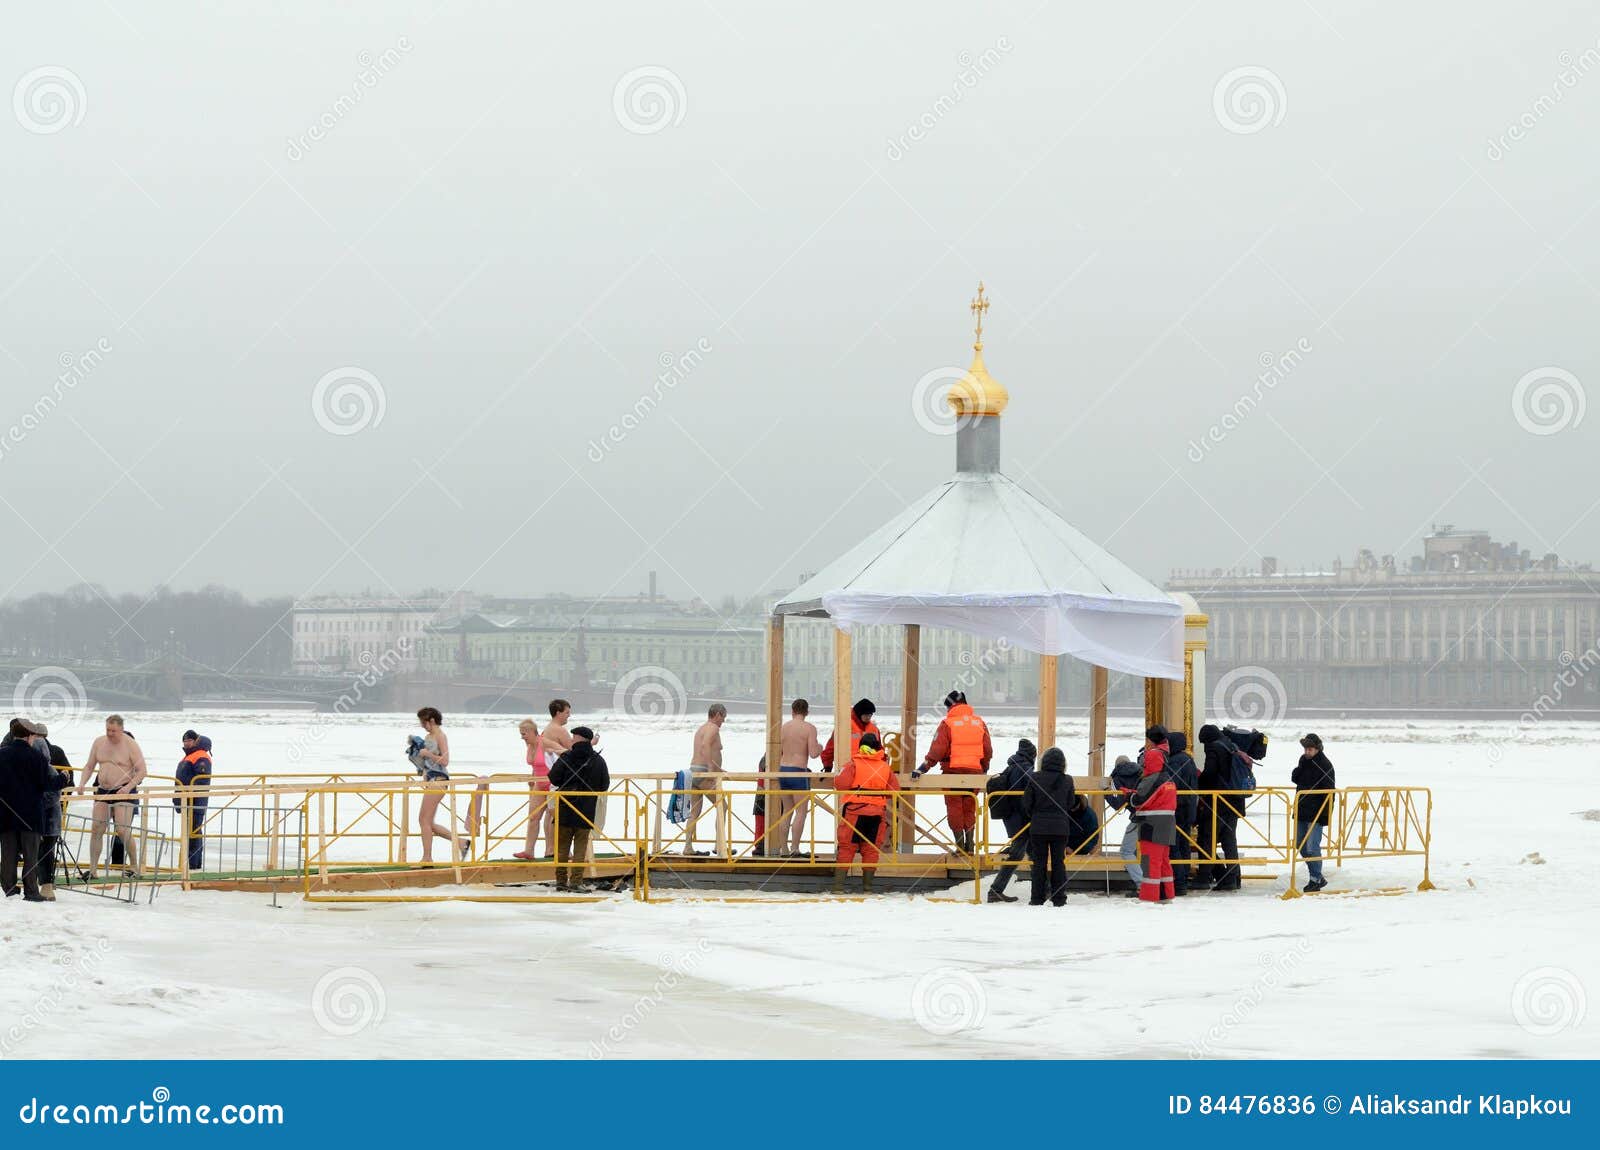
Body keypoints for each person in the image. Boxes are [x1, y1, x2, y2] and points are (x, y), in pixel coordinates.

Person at [915, 690, 993, 854]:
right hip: (974, 774)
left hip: (953, 773)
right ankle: (970, 845)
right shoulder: (979, 723)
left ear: (950, 706)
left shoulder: (947, 724)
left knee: (955, 808)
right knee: (969, 807)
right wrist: (984, 767)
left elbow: (937, 750)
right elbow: (987, 749)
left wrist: (923, 768)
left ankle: (960, 847)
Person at [1, 719, 68, 901]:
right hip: (30, 815)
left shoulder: (2, 754)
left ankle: (9, 889)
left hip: (6, 813)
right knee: (31, 855)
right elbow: (47, 784)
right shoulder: (36, 758)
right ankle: (31, 891)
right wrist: (63, 778)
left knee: (8, 853)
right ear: (29, 736)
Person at [76, 715, 148, 880]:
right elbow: (89, 766)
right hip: (103, 790)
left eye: (113, 731)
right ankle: (93, 870)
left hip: (124, 790)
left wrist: (128, 787)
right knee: (97, 829)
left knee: (122, 830)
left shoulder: (130, 744)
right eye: (108, 729)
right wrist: (82, 783)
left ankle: (134, 867)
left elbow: (142, 770)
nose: (110, 733)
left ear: (121, 729)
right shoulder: (99, 742)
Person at [831, 731, 899, 894]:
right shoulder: (885, 767)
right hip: (876, 814)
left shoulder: (853, 764)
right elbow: (894, 789)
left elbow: (840, 784)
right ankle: (867, 888)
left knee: (847, 847)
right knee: (870, 849)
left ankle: (838, 887)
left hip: (855, 813)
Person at [548, 726, 609, 891]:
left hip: (565, 808)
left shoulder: (566, 757)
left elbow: (553, 778)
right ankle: (576, 882)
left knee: (561, 847)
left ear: (579, 738)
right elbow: (604, 785)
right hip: (586, 810)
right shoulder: (598, 760)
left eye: (573, 736)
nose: (571, 739)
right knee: (580, 848)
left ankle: (560, 882)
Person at [1021, 746, 1075, 906]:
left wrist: (1036, 815)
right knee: (1059, 862)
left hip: (1038, 827)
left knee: (1039, 863)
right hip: (1060, 828)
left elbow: (1027, 804)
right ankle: (1059, 898)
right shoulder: (1067, 780)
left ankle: (1037, 898)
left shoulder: (1035, 778)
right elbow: (1071, 803)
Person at [412, 707, 467, 865]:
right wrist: (421, 766)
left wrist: (427, 754)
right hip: (430, 779)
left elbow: (445, 760)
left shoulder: (440, 736)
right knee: (428, 823)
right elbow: (426, 761)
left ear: (432, 720)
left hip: (439, 779)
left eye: (423, 722)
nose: (422, 725)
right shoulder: (427, 736)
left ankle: (427, 858)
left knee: (423, 820)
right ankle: (462, 843)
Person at [985, 738, 1036, 903]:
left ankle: (1045, 888)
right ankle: (995, 890)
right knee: (1020, 854)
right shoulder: (1025, 768)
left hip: (1011, 817)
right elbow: (1026, 793)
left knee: (1030, 852)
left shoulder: (1012, 766)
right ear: (1031, 755)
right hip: (1021, 818)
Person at [1130, 724, 1177, 903]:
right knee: (1164, 861)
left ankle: (1149, 898)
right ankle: (1166, 895)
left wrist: (1130, 795)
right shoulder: (1168, 777)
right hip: (1167, 823)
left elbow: (1138, 800)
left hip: (1151, 824)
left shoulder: (1152, 778)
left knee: (1150, 863)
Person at [773, 698, 823, 858]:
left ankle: (784, 849)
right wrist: (821, 747)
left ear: (792, 711)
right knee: (801, 812)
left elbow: (778, 750)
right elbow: (814, 753)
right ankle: (795, 848)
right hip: (799, 771)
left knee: (787, 810)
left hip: (783, 770)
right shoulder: (809, 728)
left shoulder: (784, 727)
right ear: (807, 712)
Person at [1196, 723, 1243, 891]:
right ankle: (1232, 878)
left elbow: (1210, 773)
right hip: (1235, 801)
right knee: (1229, 840)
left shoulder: (1214, 748)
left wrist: (1198, 786)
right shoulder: (1231, 745)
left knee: (1206, 838)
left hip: (1218, 802)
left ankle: (1203, 877)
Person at [1292, 733, 1336, 892]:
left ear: (1317, 749)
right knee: (1299, 844)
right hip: (1301, 809)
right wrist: (1302, 765)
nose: (1307, 752)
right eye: (1305, 749)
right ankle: (1317, 876)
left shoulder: (1325, 764)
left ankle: (1315, 878)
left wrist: (1325, 815)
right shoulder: (1303, 761)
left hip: (1316, 812)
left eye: (1310, 749)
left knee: (1312, 847)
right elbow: (1295, 778)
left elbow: (1330, 791)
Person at [683, 704, 728, 856]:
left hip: (694, 772)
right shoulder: (713, 728)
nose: (723, 721)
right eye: (723, 717)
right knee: (722, 806)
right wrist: (711, 769)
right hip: (703, 773)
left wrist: (717, 768)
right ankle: (719, 846)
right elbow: (705, 745)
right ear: (717, 714)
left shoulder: (701, 728)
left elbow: (705, 747)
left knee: (694, 812)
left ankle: (687, 847)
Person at [1163, 730, 1201, 896]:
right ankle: (1183, 877)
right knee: (1184, 842)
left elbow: (1172, 783)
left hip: (1178, 807)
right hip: (1189, 807)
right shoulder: (1188, 760)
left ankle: (1178, 881)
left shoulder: (1175, 761)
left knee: (1175, 844)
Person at [513, 718, 556, 861]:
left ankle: (555, 849)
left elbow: (565, 752)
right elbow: (535, 765)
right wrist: (532, 778)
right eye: (520, 734)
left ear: (532, 732)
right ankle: (528, 851)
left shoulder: (544, 742)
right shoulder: (529, 745)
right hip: (538, 784)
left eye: (524, 734)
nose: (522, 737)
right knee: (533, 817)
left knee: (553, 816)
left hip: (551, 784)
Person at [173, 730, 213, 872]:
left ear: (196, 741)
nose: (186, 743)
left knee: (194, 831)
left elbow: (200, 779)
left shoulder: (201, 756)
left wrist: (189, 795)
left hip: (195, 801)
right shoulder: (187, 757)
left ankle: (193, 865)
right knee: (189, 831)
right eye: (184, 741)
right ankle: (188, 863)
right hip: (186, 800)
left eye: (189, 740)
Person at [1106, 754, 1145, 895]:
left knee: (1126, 851)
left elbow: (1118, 804)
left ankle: (1142, 884)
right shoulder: (1141, 771)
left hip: (1138, 817)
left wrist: (1106, 793)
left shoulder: (1117, 778)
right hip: (1153, 815)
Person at [820, 698, 880, 772]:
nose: (868, 717)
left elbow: (879, 749)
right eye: (866, 715)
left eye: (870, 715)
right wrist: (827, 766)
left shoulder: (874, 729)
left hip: (870, 770)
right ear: (859, 713)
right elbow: (831, 747)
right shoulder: (844, 727)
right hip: (849, 770)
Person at [1064, 790, 1100, 857]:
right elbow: (1057, 830)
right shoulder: (1063, 811)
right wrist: (1065, 847)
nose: (1072, 810)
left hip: (1082, 849)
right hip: (1065, 847)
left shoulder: (1090, 815)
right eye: (1070, 809)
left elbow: (1093, 836)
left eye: (1074, 808)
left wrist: (1085, 849)